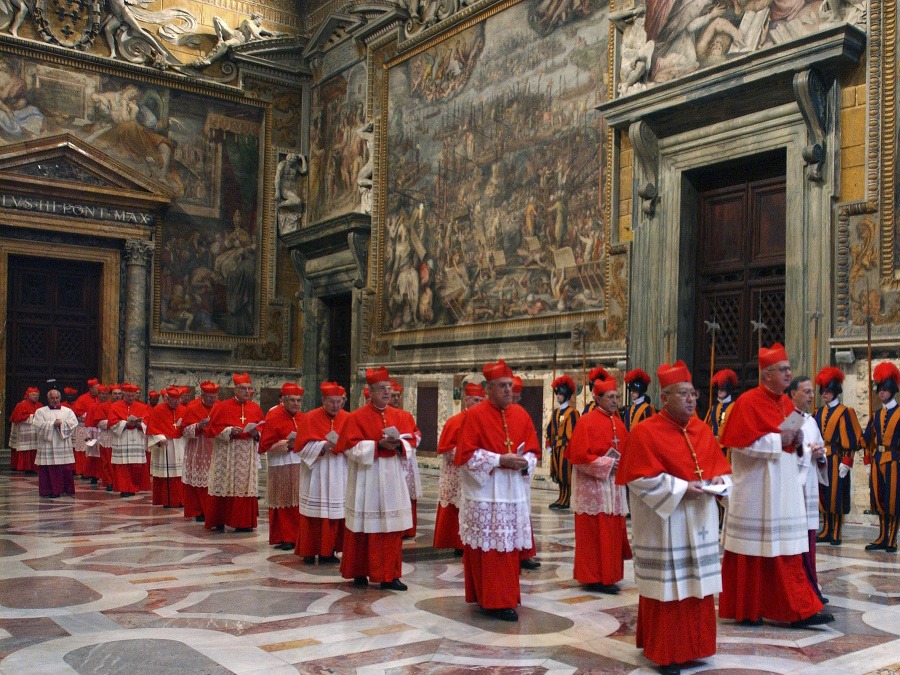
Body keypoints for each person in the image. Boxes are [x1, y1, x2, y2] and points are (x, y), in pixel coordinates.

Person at [617, 361, 732, 675]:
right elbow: (638, 479)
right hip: (666, 525)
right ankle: (665, 652)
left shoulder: (702, 429)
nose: (692, 399)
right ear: (664, 398)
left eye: (693, 393)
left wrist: (719, 487)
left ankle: (696, 648)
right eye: (683, 394)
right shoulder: (644, 432)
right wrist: (681, 488)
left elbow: (722, 471)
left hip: (700, 519)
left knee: (697, 587)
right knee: (669, 589)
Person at [719, 343, 833, 627]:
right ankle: (749, 608)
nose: (788, 374)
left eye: (789, 369)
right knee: (755, 552)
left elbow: (791, 443)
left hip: (783, 488)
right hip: (756, 489)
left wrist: (797, 444)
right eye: (782, 370)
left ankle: (796, 607)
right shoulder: (747, 402)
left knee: (784, 551)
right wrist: (778, 440)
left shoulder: (785, 404)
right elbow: (740, 444)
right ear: (766, 374)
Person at [456, 359, 541, 622]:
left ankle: (504, 597)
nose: (507, 390)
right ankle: (491, 599)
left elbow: (534, 451)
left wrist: (526, 461)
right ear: (489, 388)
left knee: (507, 551)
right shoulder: (475, 415)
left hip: (513, 492)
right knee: (490, 551)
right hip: (486, 493)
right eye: (502, 386)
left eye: (510, 385)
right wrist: (498, 460)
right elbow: (466, 456)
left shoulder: (521, 415)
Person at [334, 367, 412, 590]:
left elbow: (411, 442)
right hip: (366, 478)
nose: (387, 393)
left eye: (389, 389)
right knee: (363, 526)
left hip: (391, 476)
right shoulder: (357, 417)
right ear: (370, 391)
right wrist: (377, 445)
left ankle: (390, 575)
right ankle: (359, 571)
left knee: (391, 527)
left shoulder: (400, 415)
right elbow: (348, 448)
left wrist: (400, 445)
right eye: (381, 389)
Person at [567, 376, 631, 593]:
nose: (615, 401)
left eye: (617, 397)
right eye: (610, 397)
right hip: (593, 490)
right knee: (593, 534)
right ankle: (592, 577)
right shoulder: (586, 422)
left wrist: (622, 463)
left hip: (614, 488)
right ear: (597, 398)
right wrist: (607, 463)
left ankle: (610, 576)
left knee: (612, 532)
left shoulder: (619, 423)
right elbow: (578, 457)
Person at [294, 381, 349, 564]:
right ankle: (309, 551)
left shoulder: (347, 418)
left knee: (334, 514)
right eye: (332, 402)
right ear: (323, 400)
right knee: (313, 514)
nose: (336, 406)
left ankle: (329, 551)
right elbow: (300, 448)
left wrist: (344, 447)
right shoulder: (310, 418)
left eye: (339, 402)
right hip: (316, 472)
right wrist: (322, 445)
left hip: (339, 470)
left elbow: (353, 444)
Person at [204, 373, 264, 532]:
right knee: (224, 482)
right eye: (243, 389)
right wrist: (230, 430)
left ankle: (243, 522)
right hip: (227, 452)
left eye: (249, 389)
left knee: (244, 486)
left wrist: (255, 433)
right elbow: (211, 430)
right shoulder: (222, 406)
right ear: (235, 389)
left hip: (247, 452)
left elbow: (263, 429)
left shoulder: (255, 408)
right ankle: (220, 519)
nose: (247, 392)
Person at [787, 375, 829, 603]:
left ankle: (812, 584)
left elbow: (820, 447)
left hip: (810, 484)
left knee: (810, 537)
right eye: (806, 391)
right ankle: (803, 588)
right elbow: (784, 453)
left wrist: (820, 456)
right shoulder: (789, 420)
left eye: (812, 391)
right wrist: (806, 454)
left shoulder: (811, 421)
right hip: (795, 486)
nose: (812, 396)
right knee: (798, 539)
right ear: (793, 393)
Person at [814, 366, 863, 546]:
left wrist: (847, 461)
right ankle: (826, 528)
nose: (825, 394)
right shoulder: (818, 412)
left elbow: (852, 439)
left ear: (835, 392)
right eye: (823, 391)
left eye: (828, 391)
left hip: (837, 458)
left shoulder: (845, 412)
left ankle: (836, 531)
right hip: (821, 457)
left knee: (836, 495)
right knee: (824, 494)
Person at [434, 382, 485, 553]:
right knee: (456, 506)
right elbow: (446, 449)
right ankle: (457, 544)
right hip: (456, 473)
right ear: (466, 400)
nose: (479, 404)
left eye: (481, 401)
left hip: (477, 473)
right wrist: (467, 455)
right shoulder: (454, 421)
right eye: (476, 400)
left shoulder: (483, 421)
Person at [259, 383, 305, 550]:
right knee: (283, 501)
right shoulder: (274, 416)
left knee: (298, 502)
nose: (296, 404)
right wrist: (287, 442)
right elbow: (265, 444)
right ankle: (285, 536)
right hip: (281, 464)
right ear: (284, 400)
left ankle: (298, 536)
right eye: (292, 400)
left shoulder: (302, 417)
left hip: (299, 463)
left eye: (298, 400)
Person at [862, 362, 900, 552]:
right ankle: (882, 536)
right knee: (880, 501)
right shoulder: (876, 415)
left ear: (892, 391)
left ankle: (892, 539)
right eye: (879, 390)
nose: (881, 394)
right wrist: (867, 458)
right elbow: (867, 439)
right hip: (878, 460)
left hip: (894, 460)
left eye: (885, 390)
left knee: (893, 502)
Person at [389, 380, 423, 538]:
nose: (396, 399)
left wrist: (403, 441)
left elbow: (416, 434)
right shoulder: (384, 415)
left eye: (398, 396)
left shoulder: (407, 415)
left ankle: (408, 529)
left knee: (408, 494)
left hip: (406, 460)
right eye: (393, 396)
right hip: (391, 460)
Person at [181, 381, 219, 522]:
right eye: (209, 396)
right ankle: (199, 511)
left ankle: (213, 511)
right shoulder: (193, 407)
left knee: (213, 481)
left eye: (214, 396)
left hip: (215, 447)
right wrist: (198, 425)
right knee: (199, 483)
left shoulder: (219, 406)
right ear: (202, 394)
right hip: (198, 448)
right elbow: (184, 431)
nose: (212, 399)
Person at [32, 389, 79, 498]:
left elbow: (73, 423)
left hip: (62, 444)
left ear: (60, 398)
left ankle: (65, 489)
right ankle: (48, 490)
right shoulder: (40, 411)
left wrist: (62, 425)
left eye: (57, 398)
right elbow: (37, 426)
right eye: (52, 398)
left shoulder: (67, 411)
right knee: (48, 469)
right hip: (47, 445)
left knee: (65, 468)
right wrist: (52, 424)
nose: (55, 400)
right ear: (48, 399)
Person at [146, 386, 186, 508]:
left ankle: (181, 500)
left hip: (180, 444)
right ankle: (167, 500)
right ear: (167, 399)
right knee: (167, 475)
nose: (176, 403)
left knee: (180, 474)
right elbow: (152, 429)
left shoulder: (184, 409)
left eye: (178, 400)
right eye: (173, 400)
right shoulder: (158, 410)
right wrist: (160, 439)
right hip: (165, 445)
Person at [108, 383, 151, 498]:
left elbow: (146, 422)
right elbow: (112, 422)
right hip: (122, 438)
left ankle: (133, 487)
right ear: (124, 395)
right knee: (123, 467)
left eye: (133, 396)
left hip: (136, 438)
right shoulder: (115, 406)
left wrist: (139, 424)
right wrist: (125, 423)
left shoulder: (142, 407)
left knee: (135, 466)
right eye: (128, 396)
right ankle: (124, 488)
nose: (131, 398)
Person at [547, 375, 579, 510]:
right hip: (556, 447)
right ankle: (561, 496)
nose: (558, 396)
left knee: (566, 474)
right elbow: (549, 430)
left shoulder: (573, 413)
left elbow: (575, 433)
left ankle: (566, 498)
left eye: (560, 394)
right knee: (558, 474)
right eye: (557, 394)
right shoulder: (555, 412)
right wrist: (549, 444)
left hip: (566, 447)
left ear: (566, 395)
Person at [71, 379, 100, 478]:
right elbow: (77, 412)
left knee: (93, 450)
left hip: (96, 429)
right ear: (91, 388)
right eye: (97, 388)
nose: (99, 390)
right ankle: (83, 471)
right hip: (84, 429)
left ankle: (93, 472)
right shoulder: (82, 399)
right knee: (84, 449)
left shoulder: (99, 399)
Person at [83, 385, 110, 484]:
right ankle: (93, 475)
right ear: (99, 394)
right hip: (92, 432)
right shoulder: (92, 406)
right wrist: (88, 437)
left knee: (103, 457)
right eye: (102, 394)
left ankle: (102, 475)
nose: (104, 396)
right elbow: (89, 422)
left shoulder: (109, 405)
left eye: (106, 394)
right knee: (92, 455)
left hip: (104, 433)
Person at [9, 386, 40, 472]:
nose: (35, 397)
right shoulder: (22, 404)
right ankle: (25, 467)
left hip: (35, 433)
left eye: (37, 395)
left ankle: (34, 467)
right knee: (26, 449)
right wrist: (32, 416)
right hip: (24, 431)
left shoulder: (39, 405)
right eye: (33, 395)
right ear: (29, 395)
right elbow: (18, 417)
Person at [704, 368, 738, 444]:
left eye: (722, 389)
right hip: (714, 446)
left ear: (728, 390)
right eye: (719, 389)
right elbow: (705, 428)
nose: (720, 391)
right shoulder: (713, 408)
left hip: (728, 447)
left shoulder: (735, 408)